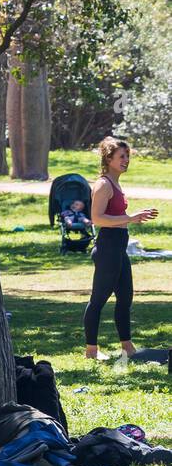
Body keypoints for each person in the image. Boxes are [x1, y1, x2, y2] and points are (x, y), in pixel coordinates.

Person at [84, 137, 157, 361]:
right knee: (99, 299)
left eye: (128, 156)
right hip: (108, 249)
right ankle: (91, 351)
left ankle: (127, 347)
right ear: (109, 159)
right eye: (121, 157)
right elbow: (96, 218)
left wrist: (134, 216)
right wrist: (130, 217)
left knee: (125, 297)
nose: (126, 160)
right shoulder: (104, 184)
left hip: (118, 249)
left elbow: (115, 216)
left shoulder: (115, 183)